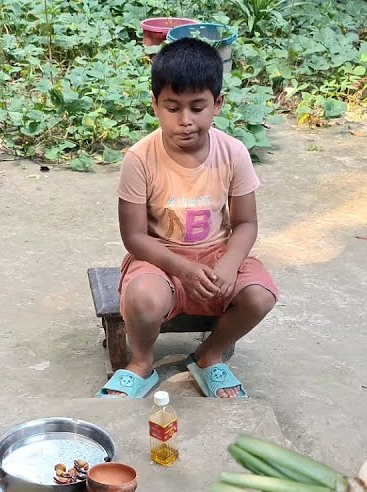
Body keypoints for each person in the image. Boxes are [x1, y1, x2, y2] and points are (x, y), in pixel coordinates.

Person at [96, 38, 278, 400]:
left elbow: (246, 224)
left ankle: (209, 355)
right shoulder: (140, 158)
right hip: (159, 258)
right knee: (143, 297)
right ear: (155, 106)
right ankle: (142, 363)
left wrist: (228, 266)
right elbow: (134, 237)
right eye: (172, 107)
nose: (185, 121)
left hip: (216, 255)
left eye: (197, 107)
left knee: (260, 296)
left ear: (218, 104)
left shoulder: (234, 153)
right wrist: (182, 268)